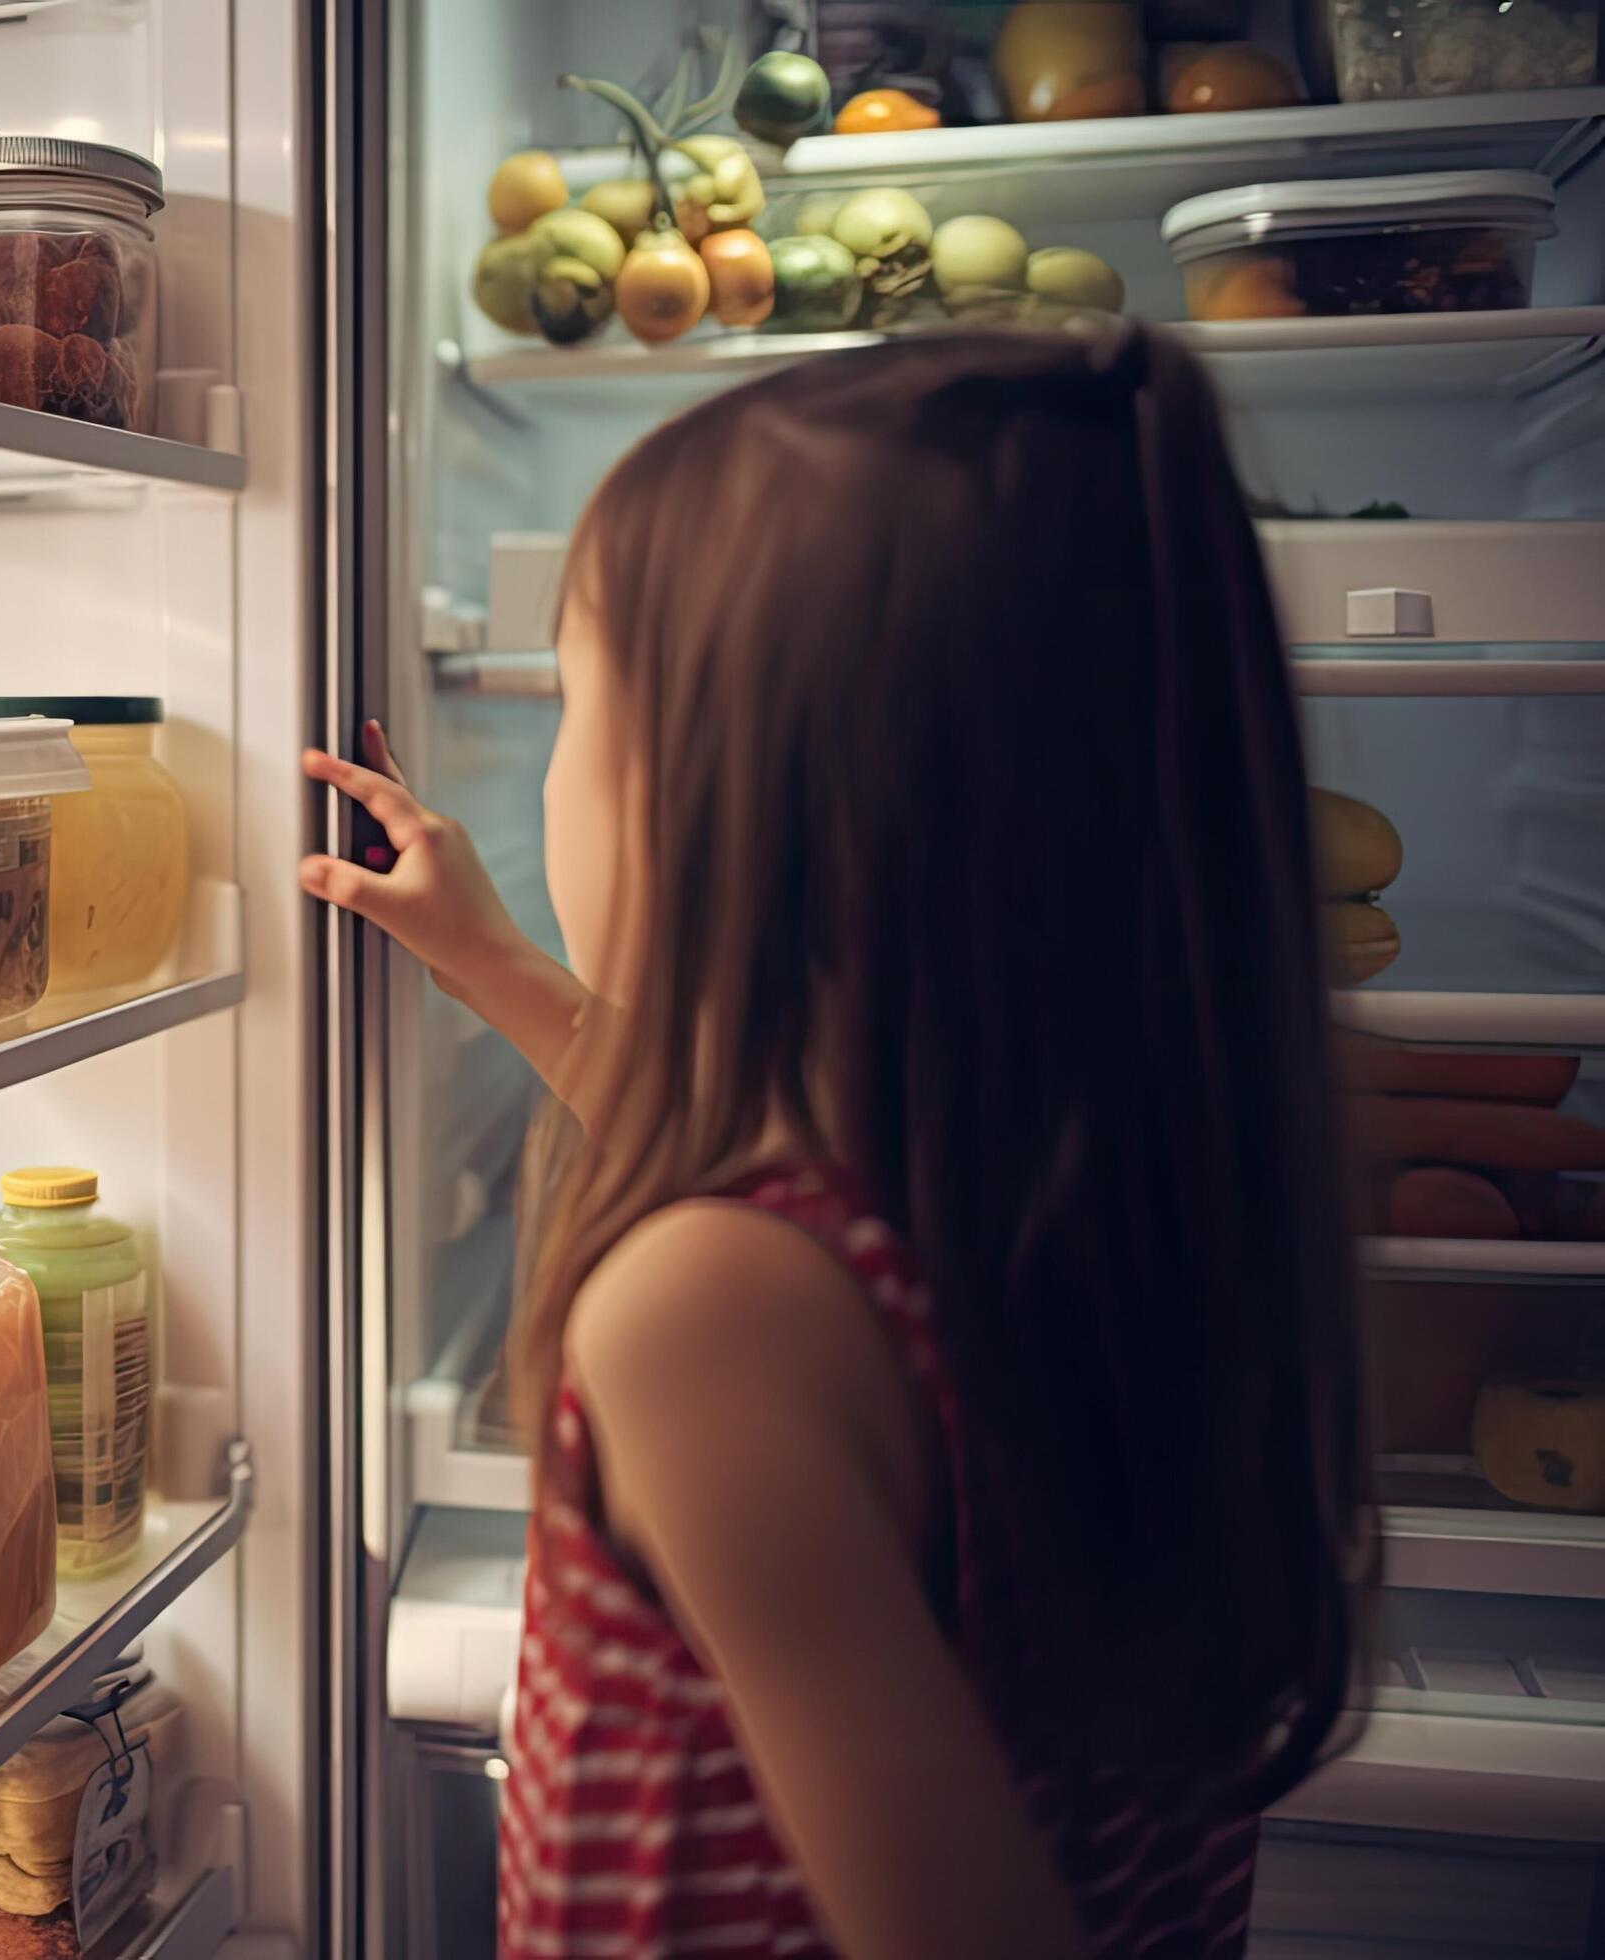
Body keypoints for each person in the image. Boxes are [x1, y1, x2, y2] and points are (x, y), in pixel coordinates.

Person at [303, 326, 1366, 1959]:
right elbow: (735, 1158)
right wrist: (496, 964)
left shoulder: (705, 1314)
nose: (563, 752)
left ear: (757, 797)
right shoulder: (1086, 1187)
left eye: (585, 698)